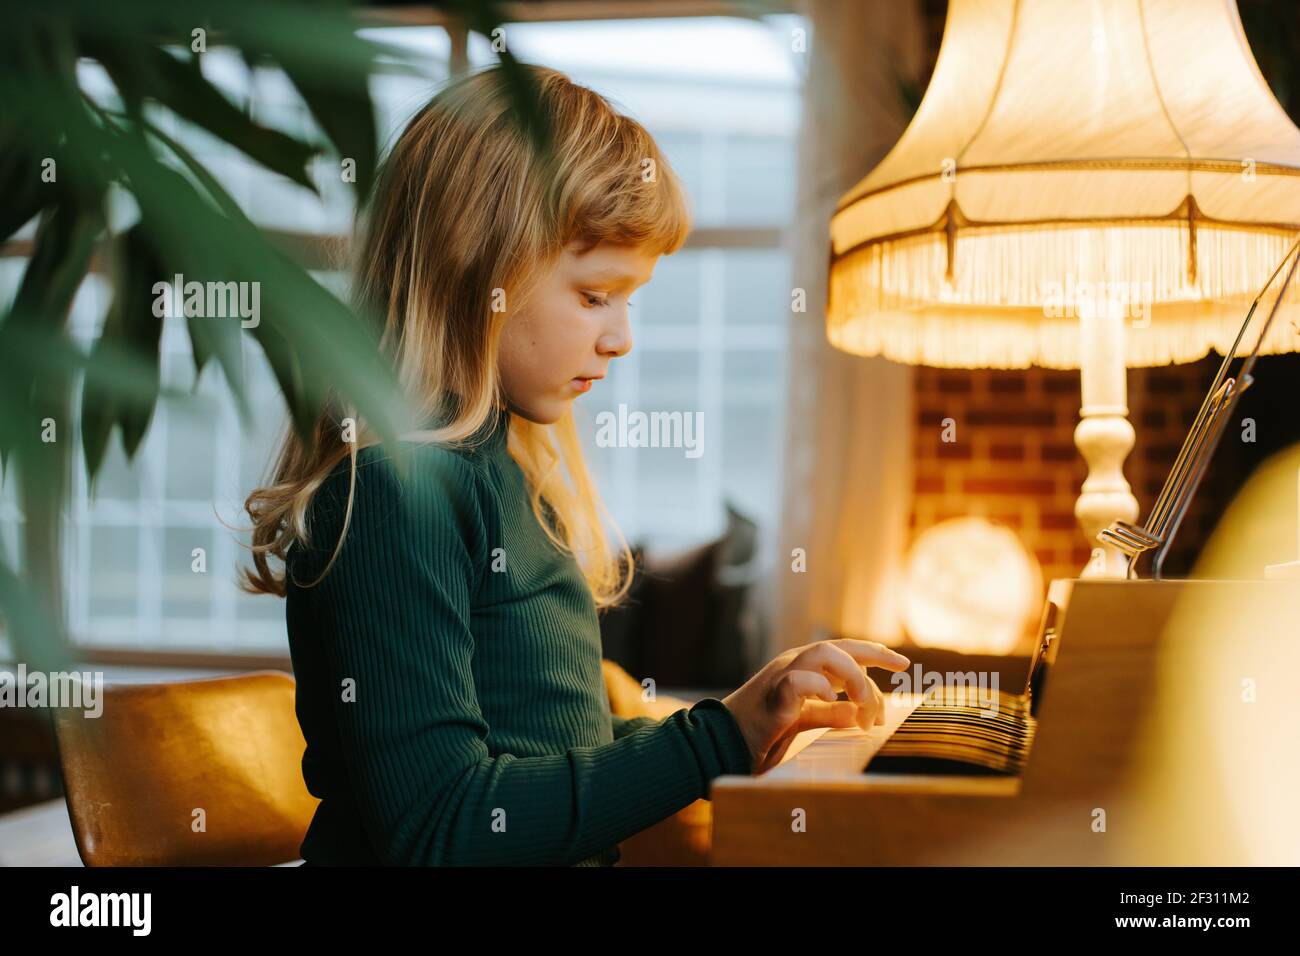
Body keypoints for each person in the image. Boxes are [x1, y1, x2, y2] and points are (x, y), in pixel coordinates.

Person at [241, 63, 910, 866]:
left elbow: (551, 740)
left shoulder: (502, 475)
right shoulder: (398, 494)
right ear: (475, 266)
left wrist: (752, 725)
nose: (621, 337)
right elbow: (441, 826)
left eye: (631, 299)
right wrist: (714, 740)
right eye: (596, 295)